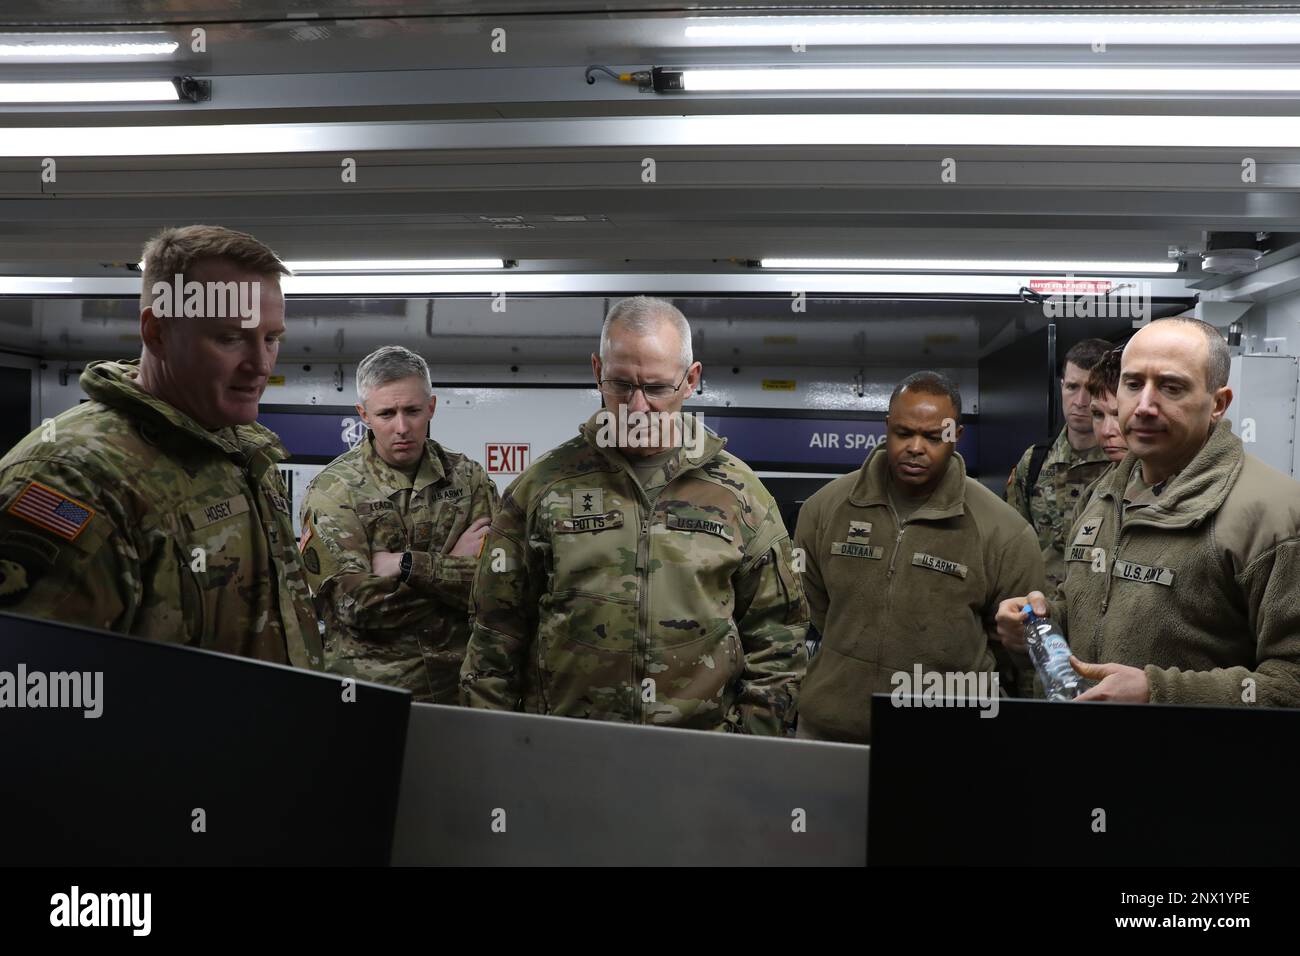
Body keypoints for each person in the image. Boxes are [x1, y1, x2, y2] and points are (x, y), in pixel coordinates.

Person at [460, 295, 807, 732]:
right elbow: (495, 633)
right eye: (621, 384)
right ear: (596, 372)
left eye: (657, 388)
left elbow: (779, 638)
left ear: (691, 379)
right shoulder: (544, 486)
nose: (638, 406)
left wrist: (746, 744)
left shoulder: (739, 494)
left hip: (701, 756)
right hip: (566, 746)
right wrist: (496, 745)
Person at [0, 224, 321, 668]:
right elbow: (34, 704)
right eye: (230, 338)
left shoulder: (240, 448)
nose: (261, 365)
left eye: (271, 339)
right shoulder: (73, 479)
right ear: (157, 333)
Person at [995, 317, 1300, 706]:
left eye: (1171, 388)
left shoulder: (1275, 516)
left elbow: (1292, 681)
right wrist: (1039, 624)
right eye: (1133, 384)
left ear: (1218, 404)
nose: (1144, 406)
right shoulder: (1101, 496)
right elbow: (1088, 614)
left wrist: (1158, 692)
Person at [794, 371, 1046, 742]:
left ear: (956, 436)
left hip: (946, 741)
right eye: (903, 433)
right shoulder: (825, 508)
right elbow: (814, 606)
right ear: (887, 427)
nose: (916, 447)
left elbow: (1014, 650)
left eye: (933, 436)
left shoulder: (1005, 532)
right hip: (830, 730)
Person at [300, 345, 498, 702]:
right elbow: (356, 608)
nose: (402, 427)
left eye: (412, 411)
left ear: (432, 407)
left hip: (459, 691)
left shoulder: (468, 480)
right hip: (371, 695)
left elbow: (496, 587)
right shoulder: (334, 491)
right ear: (363, 414)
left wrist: (404, 565)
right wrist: (450, 566)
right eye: (386, 413)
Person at [1006, 338, 1113, 593]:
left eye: (1091, 389)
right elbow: (1011, 541)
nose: (1080, 401)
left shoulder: (1128, 463)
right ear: (1061, 386)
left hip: (1102, 607)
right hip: (1043, 604)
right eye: (1072, 387)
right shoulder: (1035, 461)